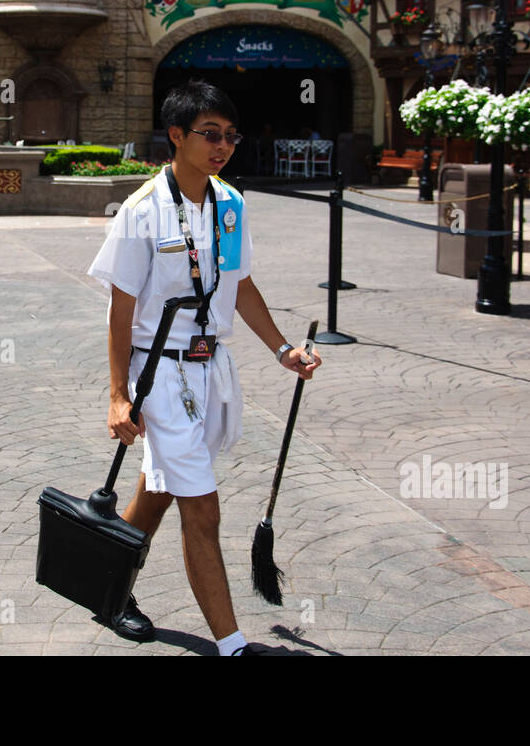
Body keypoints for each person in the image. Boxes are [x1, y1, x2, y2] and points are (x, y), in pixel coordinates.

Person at [87, 79, 321, 656]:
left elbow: (239, 287)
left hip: (212, 371)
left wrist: (282, 349)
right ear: (176, 135)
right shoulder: (142, 212)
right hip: (160, 374)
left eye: (229, 137)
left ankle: (107, 590)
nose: (222, 147)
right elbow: (120, 314)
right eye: (208, 135)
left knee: (161, 490)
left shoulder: (232, 204)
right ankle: (233, 644)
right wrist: (119, 396)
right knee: (203, 507)